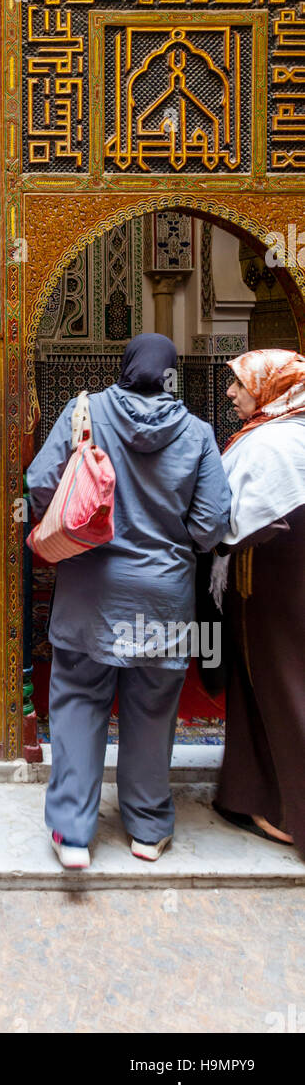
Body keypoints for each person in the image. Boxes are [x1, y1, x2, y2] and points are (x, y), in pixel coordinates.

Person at [26, 333, 231, 869]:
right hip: (162, 599)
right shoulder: (198, 433)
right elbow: (211, 526)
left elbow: (40, 485)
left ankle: (72, 833)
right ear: (171, 373)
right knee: (152, 709)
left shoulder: (84, 411)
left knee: (78, 701)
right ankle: (146, 827)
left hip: (91, 595)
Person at [211, 349, 305, 856]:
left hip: (272, 593)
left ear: (269, 386)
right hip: (279, 593)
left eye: (239, 383)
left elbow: (232, 521)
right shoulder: (288, 431)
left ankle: (290, 811)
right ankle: (248, 795)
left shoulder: (270, 443)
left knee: (282, 689)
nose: (230, 392)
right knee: (260, 689)